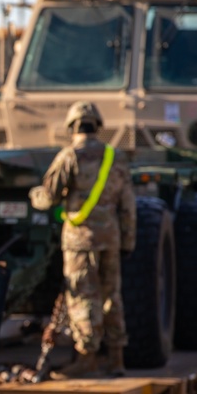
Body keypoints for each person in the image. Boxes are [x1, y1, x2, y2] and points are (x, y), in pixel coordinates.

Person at [29, 101, 136, 379]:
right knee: (111, 296)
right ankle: (116, 360)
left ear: (71, 126)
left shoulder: (70, 156)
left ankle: (87, 358)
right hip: (110, 237)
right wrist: (128, 240)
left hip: (79, 240)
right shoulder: (115, 157)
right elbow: (128, 205)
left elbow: (49, 196)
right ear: (98, 126)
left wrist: (33, 196)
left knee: (83, 296)